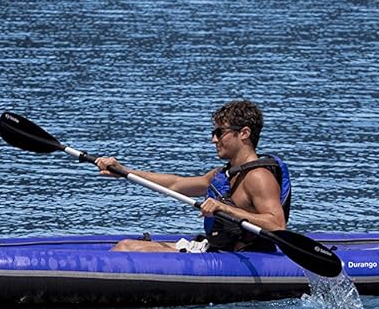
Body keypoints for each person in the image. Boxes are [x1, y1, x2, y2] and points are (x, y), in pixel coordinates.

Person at [93, 99, 292, 253]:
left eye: (219, 132)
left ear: (244, 133)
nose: (213, 139)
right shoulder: (222, 174)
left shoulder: (259, 176)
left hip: (238, 258)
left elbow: (277, 225)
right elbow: (175, 184)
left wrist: (224, 208)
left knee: (126, 249)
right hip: (215, 249)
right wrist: (124, 171)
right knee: (128, 245)